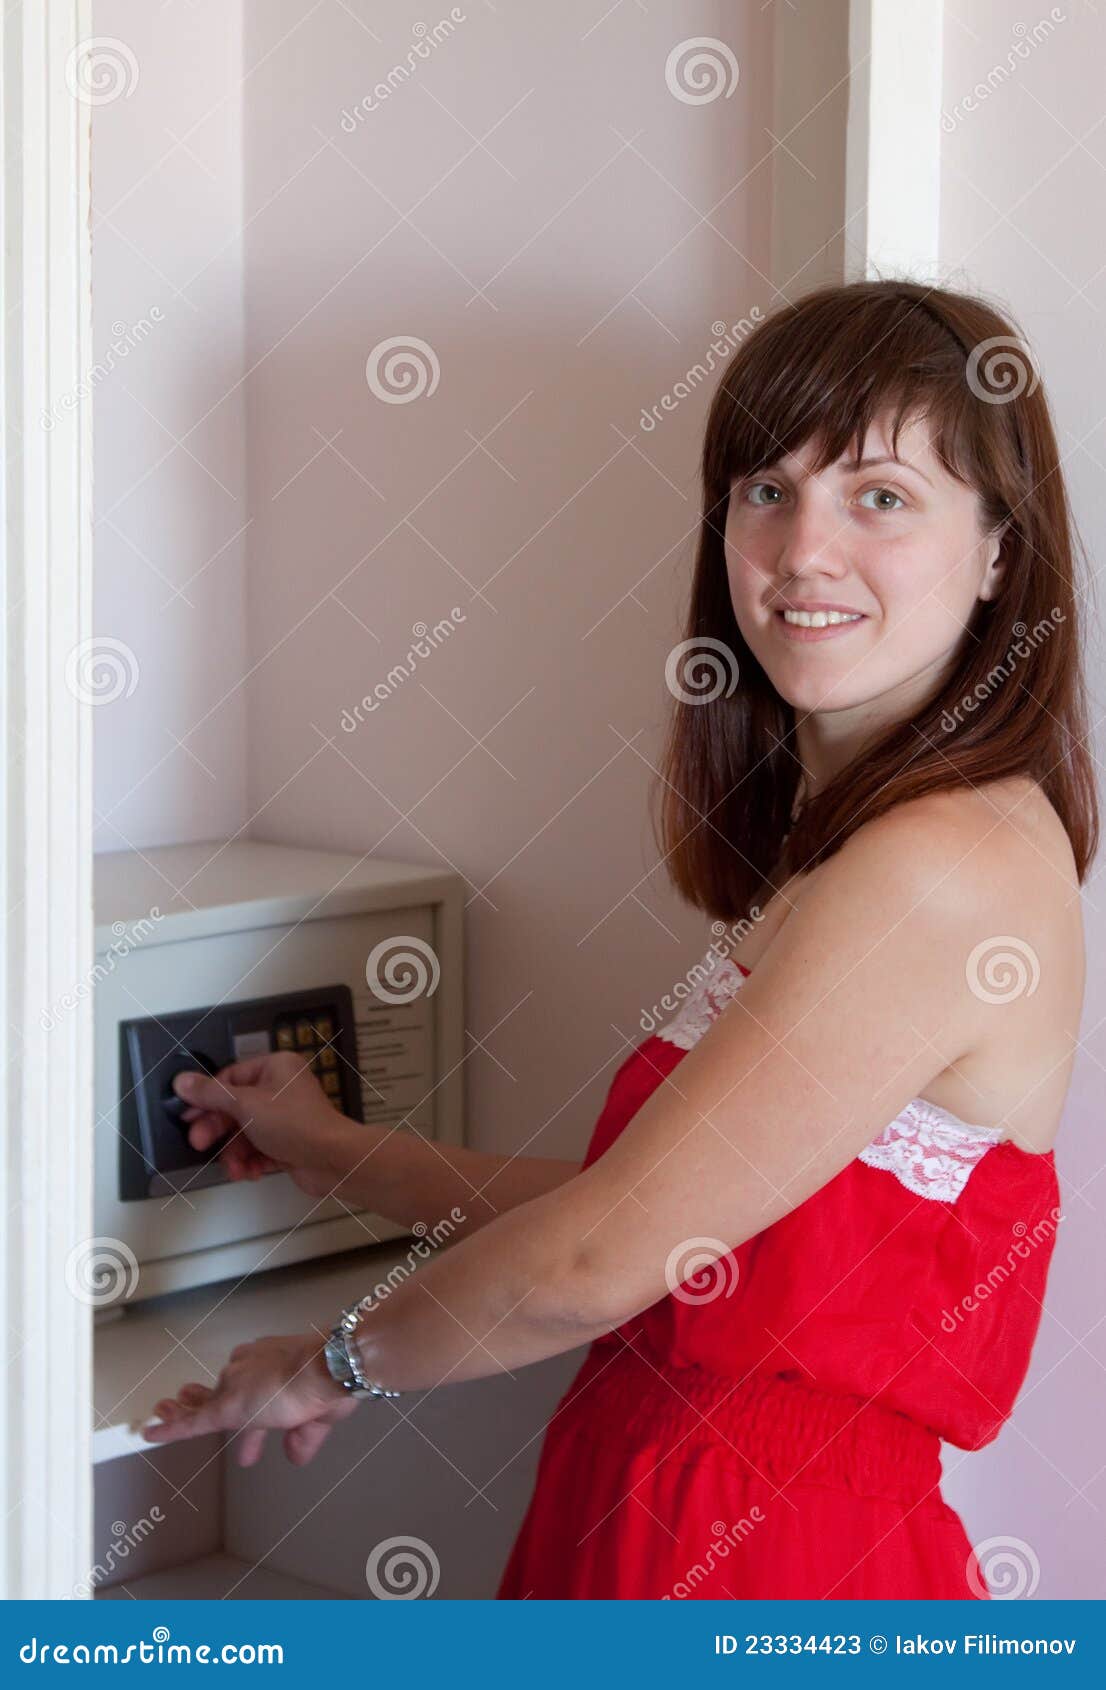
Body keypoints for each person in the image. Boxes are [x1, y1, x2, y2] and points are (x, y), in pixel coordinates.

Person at [142, 278, 1096, 1600]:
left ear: (998, 547)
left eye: (878, 496)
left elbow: (598, 1263)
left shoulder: (941, 869)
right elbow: (661, 1219)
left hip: (773, 1556)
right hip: (657, 1500)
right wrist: (337, 1152)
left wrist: (330, 1359)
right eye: (766, 490)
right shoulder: (867, 844)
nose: (802, 551)